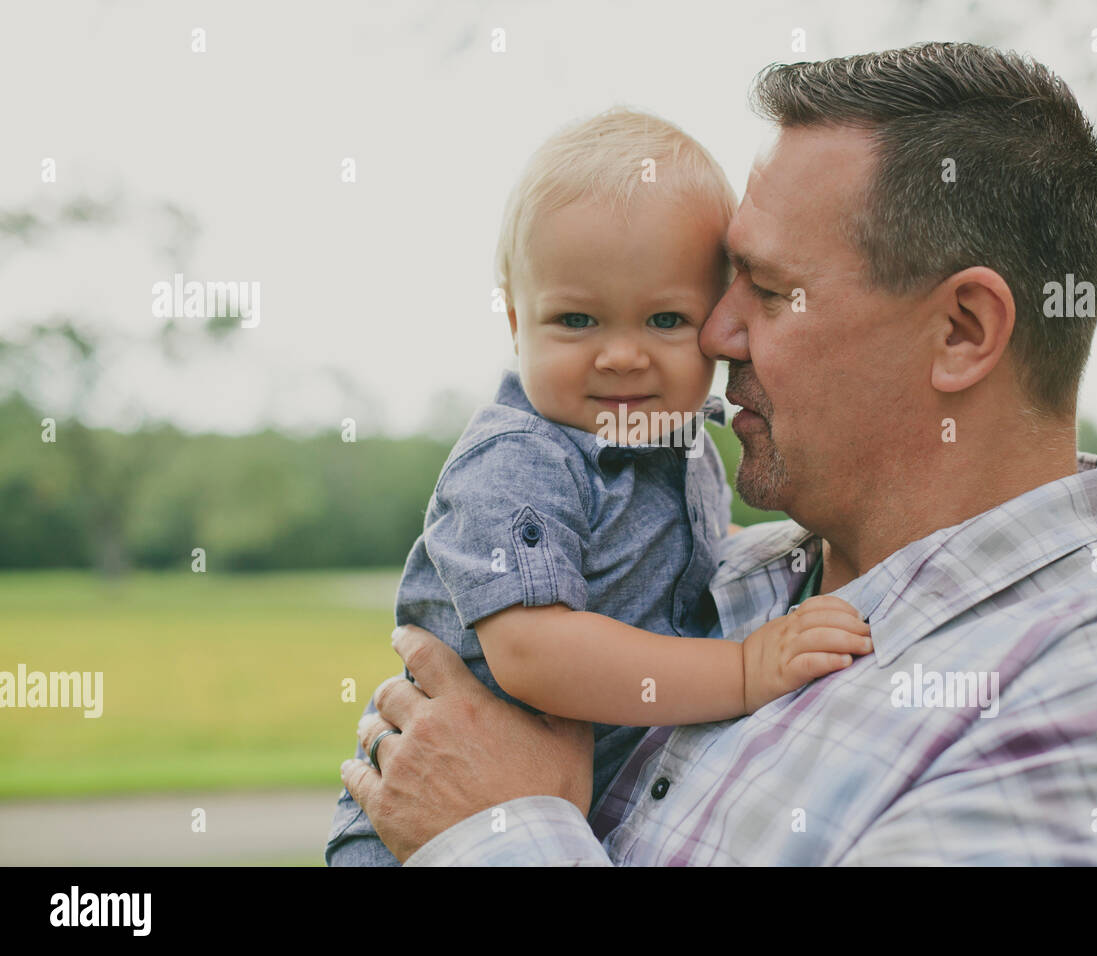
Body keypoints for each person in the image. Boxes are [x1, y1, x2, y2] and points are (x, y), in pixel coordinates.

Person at [340, 43, 1097, 865]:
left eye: (768, 288)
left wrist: (496, 832)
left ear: (962, 330)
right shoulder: (724, 571)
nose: (713, 332)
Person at [325, 109, 870, 865]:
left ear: (715, 325)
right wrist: (746, 670)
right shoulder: (518, 464)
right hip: (423, 829)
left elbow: (691, 554)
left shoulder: (678, 445)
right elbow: (534, 651)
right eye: (577, 319)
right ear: (518, 321)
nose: (620, 355)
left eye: (665, 319)